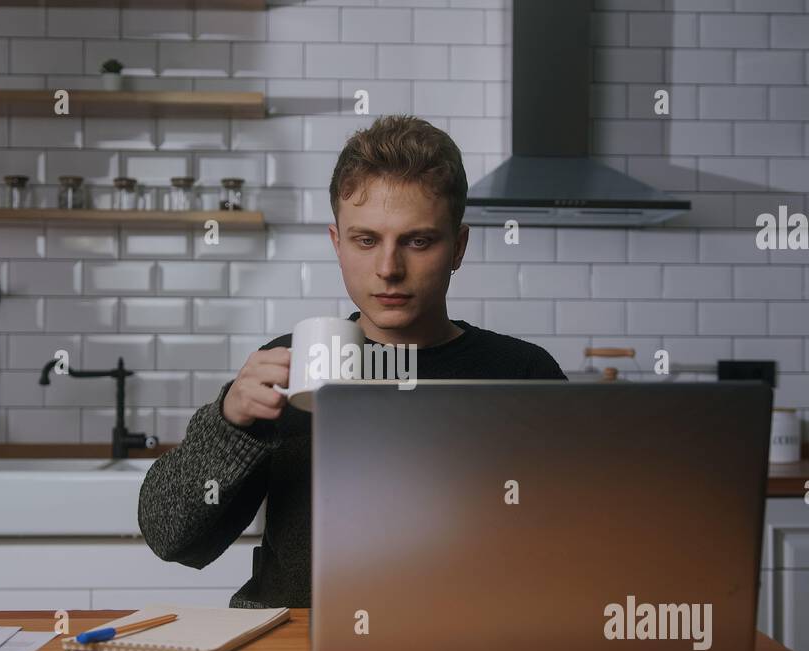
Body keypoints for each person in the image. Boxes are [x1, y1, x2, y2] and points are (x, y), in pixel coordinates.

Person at [139, 114, 567, 608]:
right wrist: (229, 424)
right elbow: (170, 538)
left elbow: (576, 542)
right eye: (366, 240)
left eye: (418, 241)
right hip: (294, 641)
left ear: (459, 247)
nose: (388, 269)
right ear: (337, 244)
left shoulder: (524, 373)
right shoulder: (289, 367)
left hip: (461, 639)